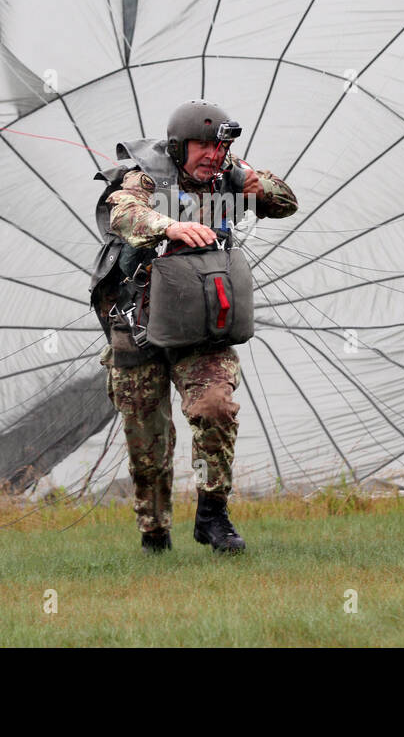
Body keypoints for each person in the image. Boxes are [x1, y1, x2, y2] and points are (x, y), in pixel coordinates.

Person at [92, 101, 297, 553]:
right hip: (138, 322)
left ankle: (212, 515)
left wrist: (249, 179)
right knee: (148, 443)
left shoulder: (230, 176)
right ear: (178, 146)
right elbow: (124, 213)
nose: (211, 154)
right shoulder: (147, 177)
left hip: (200, 324)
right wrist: (171, 226)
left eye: (219, 146)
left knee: (214, 408)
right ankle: (155, 533)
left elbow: (286, 203)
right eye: (202, 145)